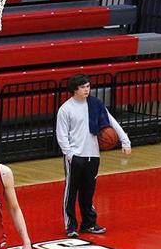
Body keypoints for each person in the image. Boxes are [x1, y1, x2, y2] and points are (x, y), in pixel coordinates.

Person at [54, 73, 131, 238]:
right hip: (75, 156)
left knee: (88, 191)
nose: (86, 90)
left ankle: (89, 223)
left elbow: (111, 122)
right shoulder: (66, 109)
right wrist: (69, 154)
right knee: (71, 192)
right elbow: (61, 135)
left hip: (93, 155)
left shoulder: (95, 104)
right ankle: (71, 226)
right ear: (75, 89)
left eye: (88, 86)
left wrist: (125, 141)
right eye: (83, 87)